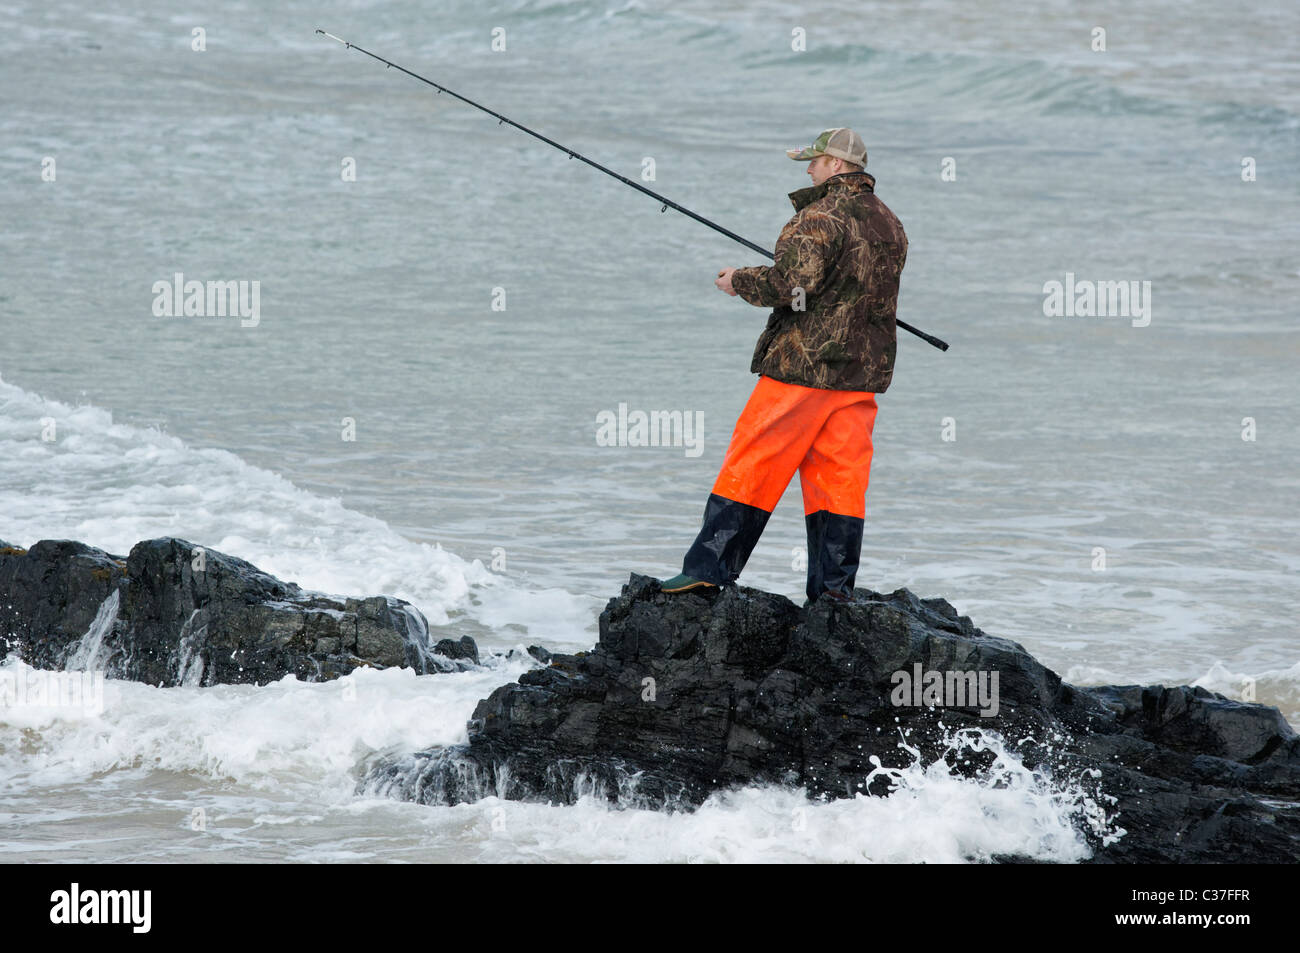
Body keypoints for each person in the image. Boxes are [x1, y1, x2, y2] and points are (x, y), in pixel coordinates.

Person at [660, 127, 908, 604]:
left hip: (804, 368)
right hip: (860, 375)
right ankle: (833, 595)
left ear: (836, 165)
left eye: (814, 162)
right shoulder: (889, 223)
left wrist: (740, 280)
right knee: (840, 480)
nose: (809, 170)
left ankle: (708, 570)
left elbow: (793, 285)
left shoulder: (819, 216)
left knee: (755, 459)